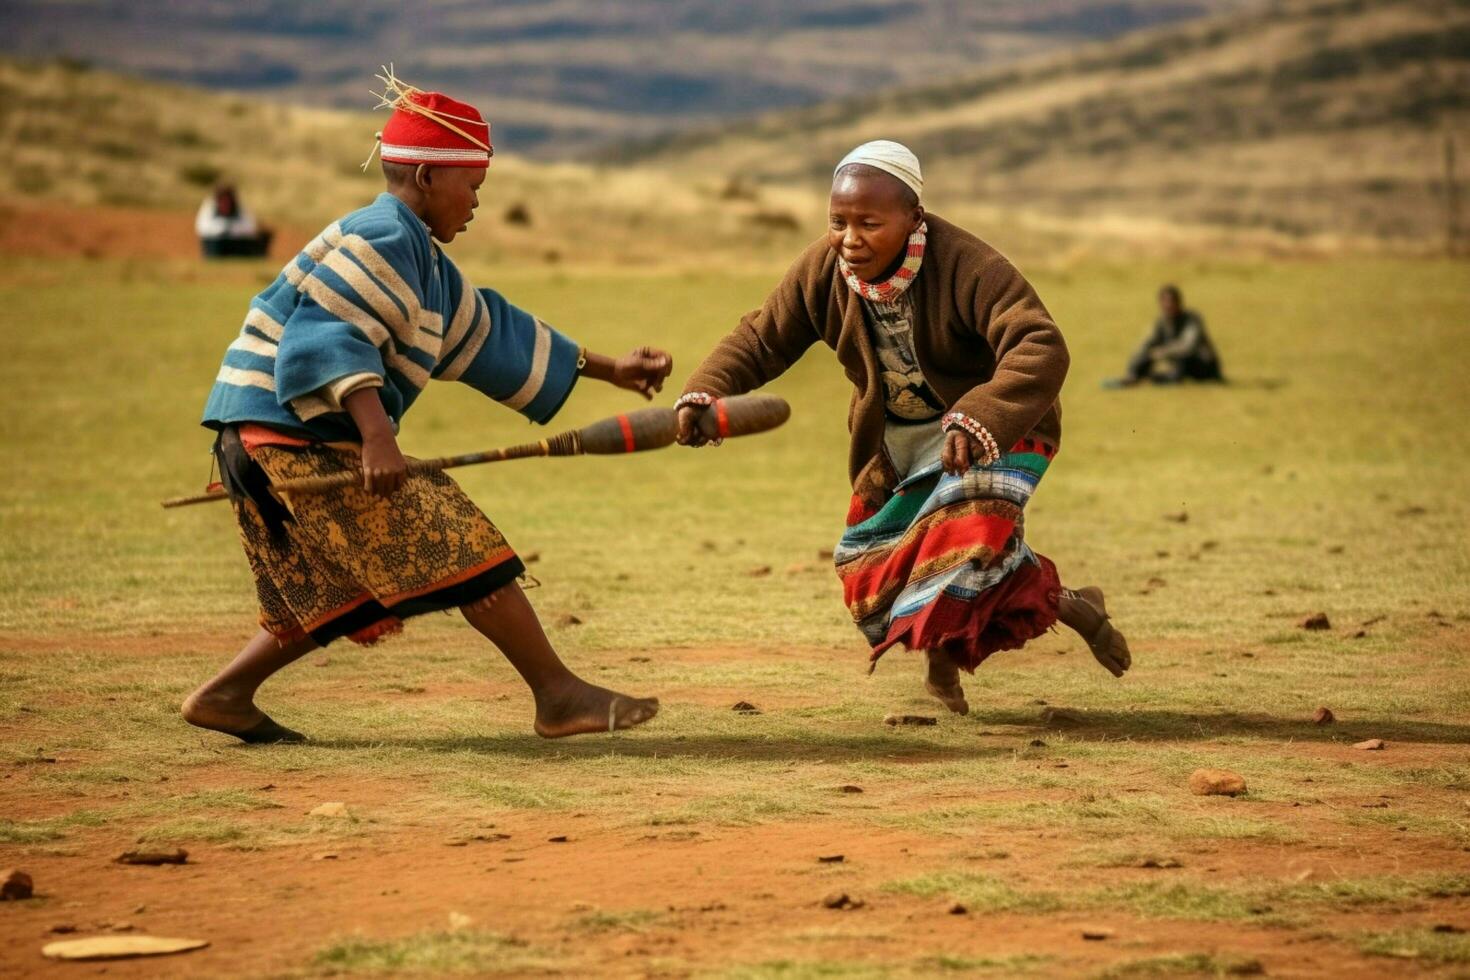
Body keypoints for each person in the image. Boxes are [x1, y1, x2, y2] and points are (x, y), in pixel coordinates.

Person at [183, 74, 671, 744]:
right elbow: (329, 335)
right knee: (464, 547)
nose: (475, 204)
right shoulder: (385, 235)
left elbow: (485, 330)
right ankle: (558, 696)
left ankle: (225, 695)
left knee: (336, 592)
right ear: (426, 175)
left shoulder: (419, 258)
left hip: (263, 437)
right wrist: (378, 439)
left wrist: (613, 370)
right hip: (293, 437)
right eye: (471, 187)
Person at [674, 141, 1130, 715]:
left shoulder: (968, 264)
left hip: (996, 430)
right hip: (898, 441)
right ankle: (1072, 605)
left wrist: (981, 415)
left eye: (869, 222)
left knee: (957, 547)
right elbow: (763, 338)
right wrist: (705, 391)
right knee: (870, 564)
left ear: (914, 216)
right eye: (838, 222)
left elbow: (1039, 343)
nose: (849, 238)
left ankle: (943, 677)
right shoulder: (823, 269)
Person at [1107, 285, 1223, 386]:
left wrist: (1163, 352)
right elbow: (1146, 344)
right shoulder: (1162, 322)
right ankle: (1133, 379)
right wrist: (1135, 365)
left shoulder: (1192, 319)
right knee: (1147, 355)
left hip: (1203, 367)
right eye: (1165, 302)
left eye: (1171, 302)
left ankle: (1162, 379)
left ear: (1179, 302)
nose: (1168, 305)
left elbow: (1188, 346)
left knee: (1182, 358)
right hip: (1180, 366)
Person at [195, 184, 274, 258]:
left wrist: (232, 230)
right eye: (223, 202)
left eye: (227, 202)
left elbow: (250, 227)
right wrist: (223, 228)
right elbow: (202, 227)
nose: (225, 205)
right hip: (215, 243)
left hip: (236, 241)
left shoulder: (240, 208)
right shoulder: (209, 206)